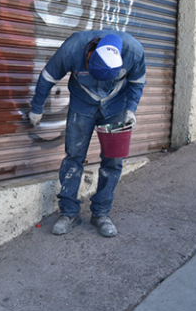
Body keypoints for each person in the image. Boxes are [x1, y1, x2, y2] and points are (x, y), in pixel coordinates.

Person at [28, 30, 146, 238]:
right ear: (90, 54)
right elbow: (48, 76)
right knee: (73, 157)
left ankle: (101, 213)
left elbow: (137, 82)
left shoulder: (134, 52)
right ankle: (69, 213)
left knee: (113, 161)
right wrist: (37, 107)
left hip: (115, 107)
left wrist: (130, 110)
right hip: (82, 105)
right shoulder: (72, 48)